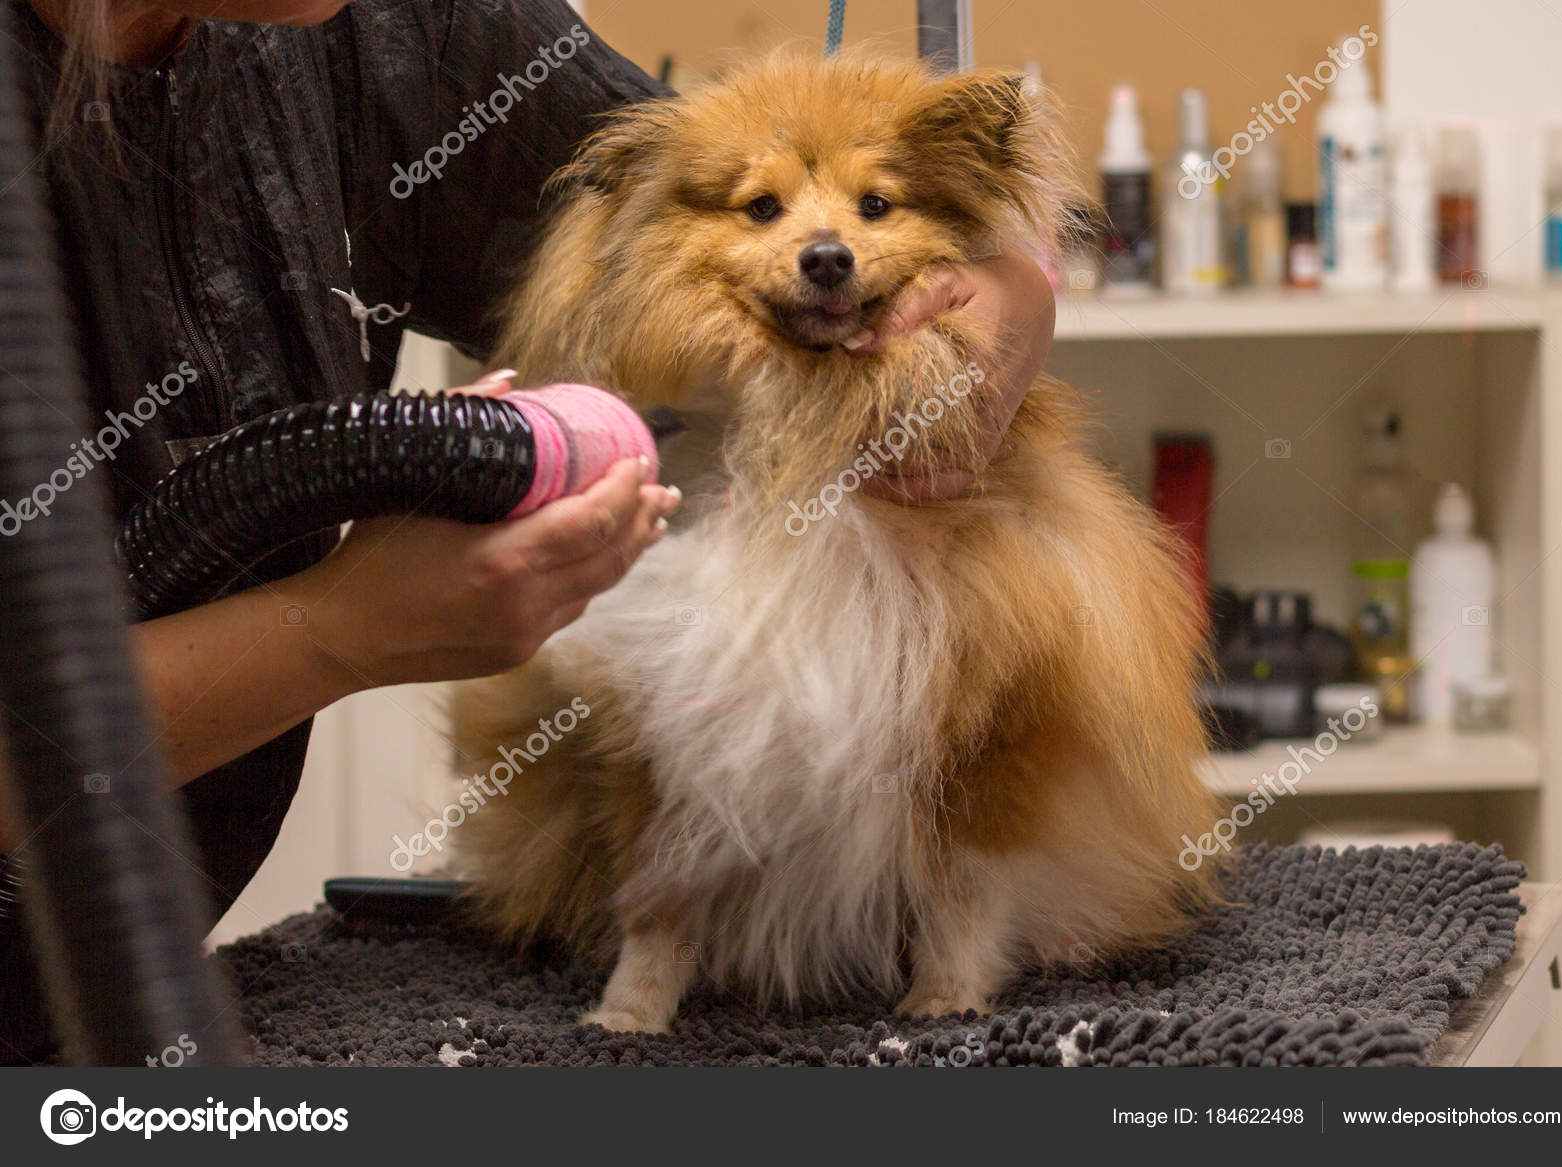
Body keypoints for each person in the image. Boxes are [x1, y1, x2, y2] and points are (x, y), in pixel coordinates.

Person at [0, 0, 1056, 1061]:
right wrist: (327, 633)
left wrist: (1013, 288)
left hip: (138, 989)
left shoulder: (402, 27)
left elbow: (717, 180)